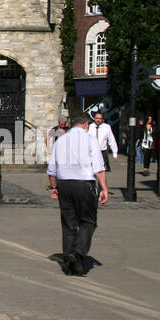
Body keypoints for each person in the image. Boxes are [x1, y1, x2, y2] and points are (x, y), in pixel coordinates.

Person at [47, 112, 108, 275]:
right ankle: (78, 252)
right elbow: (98, 167)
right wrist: (104, 188)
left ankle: (70, 263)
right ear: (86, 124)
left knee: (68, 223)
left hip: (64, 184)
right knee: (88, 221)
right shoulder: (89, 140)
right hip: (83, 184)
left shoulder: (61, 140)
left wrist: (53, 187)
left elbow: (52, 167)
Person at [89, 110, 118, 175]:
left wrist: (115, 153)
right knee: (92, 171)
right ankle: (92, 184)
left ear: (102, 119)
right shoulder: (90, 127)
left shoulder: (107, 127)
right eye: (97, 118)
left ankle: (100, 185)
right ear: (94, 118)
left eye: (100, 119)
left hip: (102, 152)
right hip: (92, 152)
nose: (98, 120)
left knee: (102, 172)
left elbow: (111, 140)